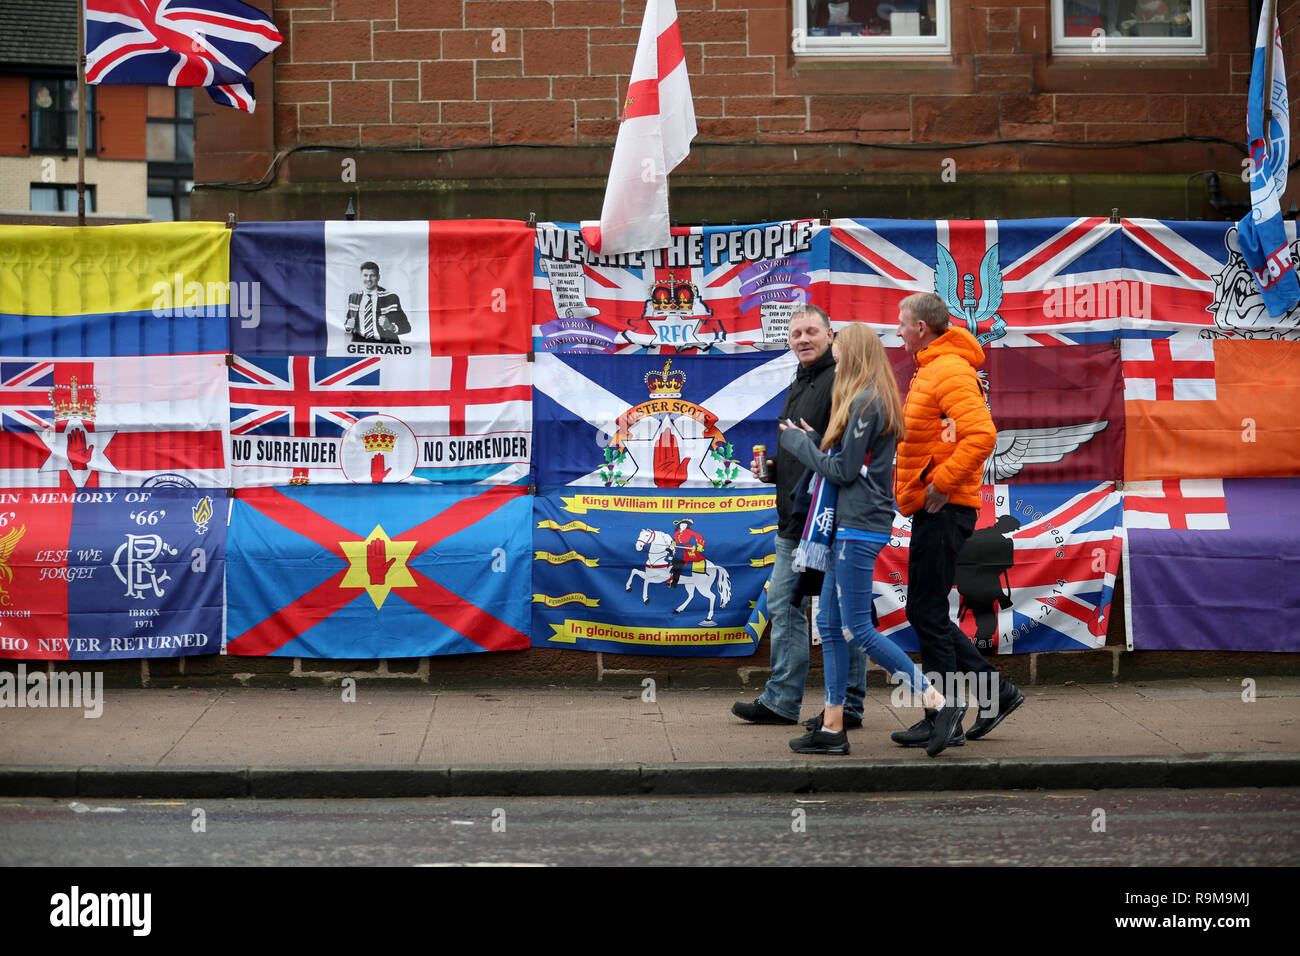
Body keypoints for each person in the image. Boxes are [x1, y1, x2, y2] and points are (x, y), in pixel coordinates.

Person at [779, 323, 947, 755]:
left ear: (853, 354)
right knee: (830, 626)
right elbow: (851, 461)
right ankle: (833, 727)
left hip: (857, 527)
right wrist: (817, 440)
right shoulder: (869, 399)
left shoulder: (866, 400)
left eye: (838, 346)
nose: (833, 352)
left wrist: (801, 445)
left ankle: (937, 701)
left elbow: (842, 472)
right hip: (849, 525)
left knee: (857, 627)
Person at [892, 291, 1025, 756]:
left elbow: (983, 433)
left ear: (922, 328)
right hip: (936, 507)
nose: (898, 331)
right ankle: (987, 695)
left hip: (944, 507)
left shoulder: (947, 369)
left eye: (903, 323)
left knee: (925, 612)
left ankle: (943, 716)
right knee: (924, 610)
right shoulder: (934, 367)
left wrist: (942, 483)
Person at [731, 305, 868, 728]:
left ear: (831, 334)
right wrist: (773, 468)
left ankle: (847, 705)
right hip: (794, 518)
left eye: (811, 332)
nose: (803, 339)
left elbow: (839, 452)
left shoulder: (840, 382)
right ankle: (784, 702)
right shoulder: (799, 382)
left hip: (828, 519)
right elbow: (801, 447)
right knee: (787, 603)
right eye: (796, 334)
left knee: (839, 613)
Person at [345, 261, 410, 344]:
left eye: (372, 275)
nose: (368, 279)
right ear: (361, 277)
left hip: (386, 346)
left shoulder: (391, 297)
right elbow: (349, 323)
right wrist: (348, 327)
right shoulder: (353, 297)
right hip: (360, 345)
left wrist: (390, 326)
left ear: (378, 277)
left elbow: (406, 327)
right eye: (365, 275)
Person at [668, 518, 704, 588]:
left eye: (685, 525)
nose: (684, 526)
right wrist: (673, 544)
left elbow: (698, 536)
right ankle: (671, 580)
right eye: (682, 524)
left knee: (677, 566)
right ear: (679, 525)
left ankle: (674, 583)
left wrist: (699, 545)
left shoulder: (688, 531)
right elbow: (675, 540)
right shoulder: (676, 532)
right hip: (677, 549)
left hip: (686, 549)